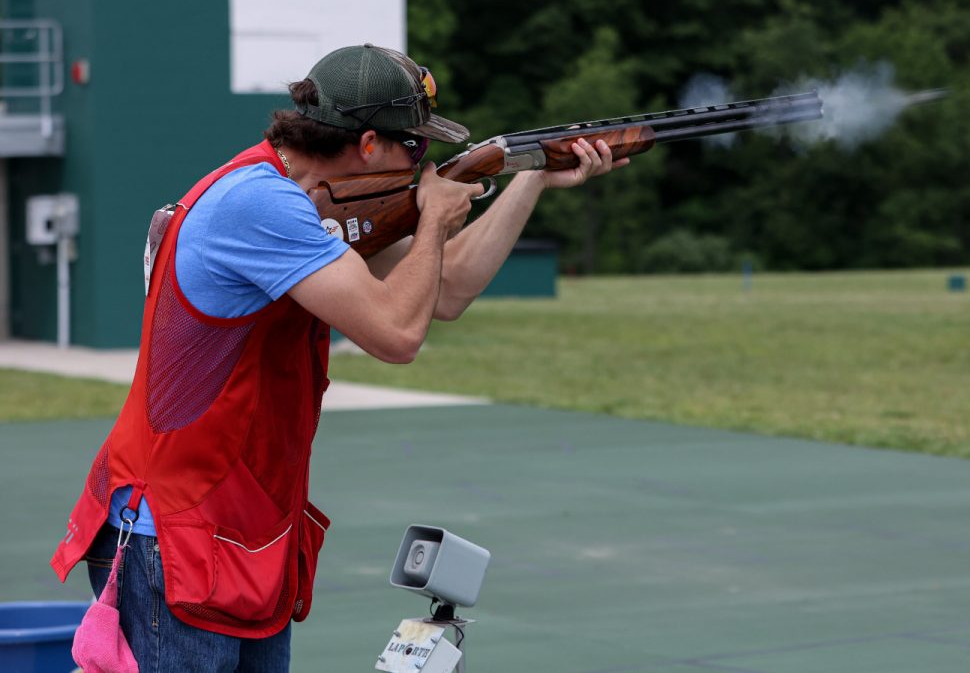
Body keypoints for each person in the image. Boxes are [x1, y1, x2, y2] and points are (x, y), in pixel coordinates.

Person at [50, 44, 627, 672]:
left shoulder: (304, 207)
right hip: (178, 535)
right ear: (372, 144)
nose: (424, 165)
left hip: (238, 534)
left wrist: (532, 176)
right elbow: (396, 335)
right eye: (417, 148)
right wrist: (432, 220)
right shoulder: (260, 205)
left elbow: (447, 290)